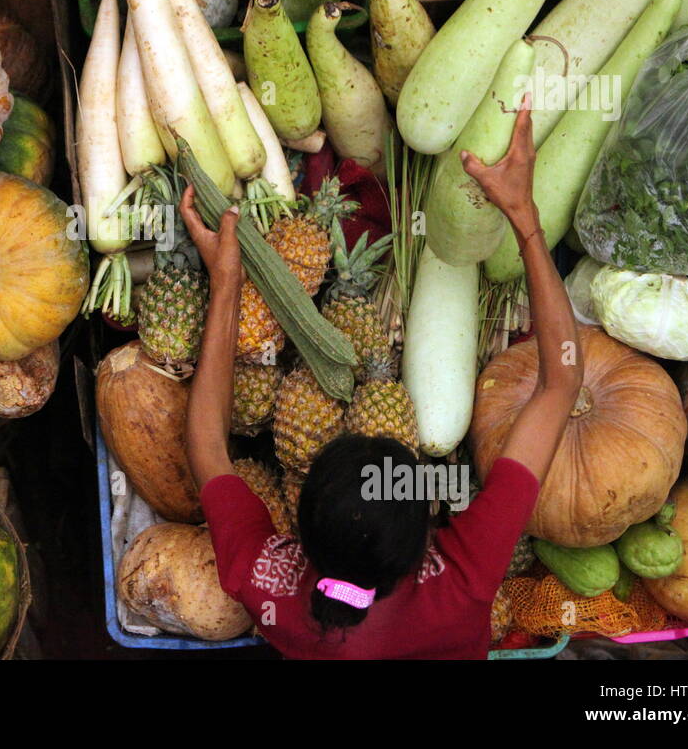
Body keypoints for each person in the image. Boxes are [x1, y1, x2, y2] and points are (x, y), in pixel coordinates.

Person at [180, 103, 583, 659]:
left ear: (295, 530)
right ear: (427, 540)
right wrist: (523, 214)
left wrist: (226, 282)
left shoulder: (266, 583)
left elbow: (204, 446)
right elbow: (561, 382)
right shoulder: (464, 580)